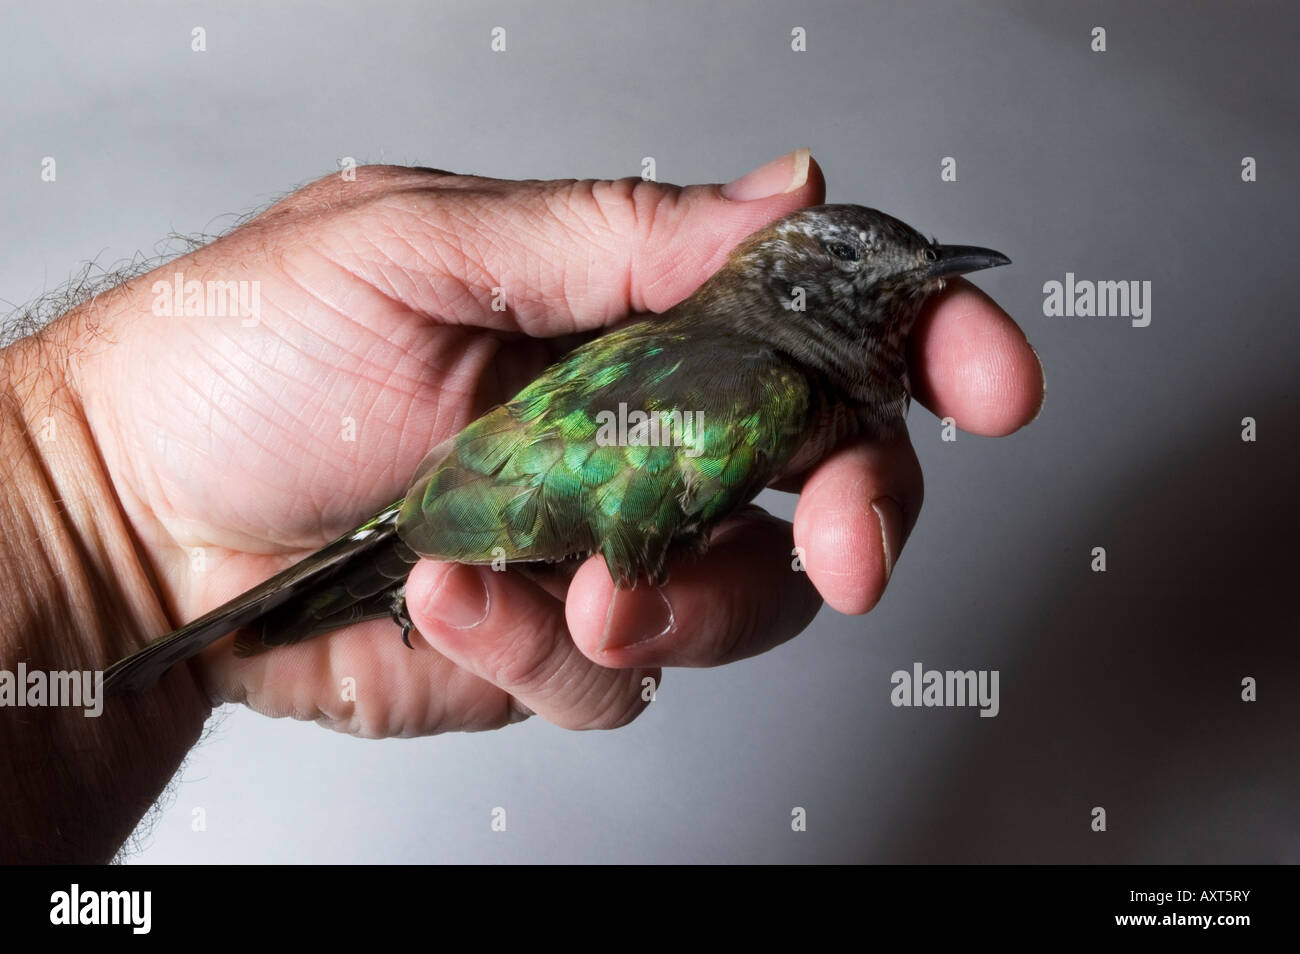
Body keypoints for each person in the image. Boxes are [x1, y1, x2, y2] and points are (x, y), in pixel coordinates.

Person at [0, 150, 1043, 861]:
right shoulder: (764, 389)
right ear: (798, 281)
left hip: (455, 515)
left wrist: (95, 526)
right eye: (863, 266)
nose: (899, 287)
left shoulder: (758, 370)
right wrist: (85, 504)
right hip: (464, 517)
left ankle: (242, 619)